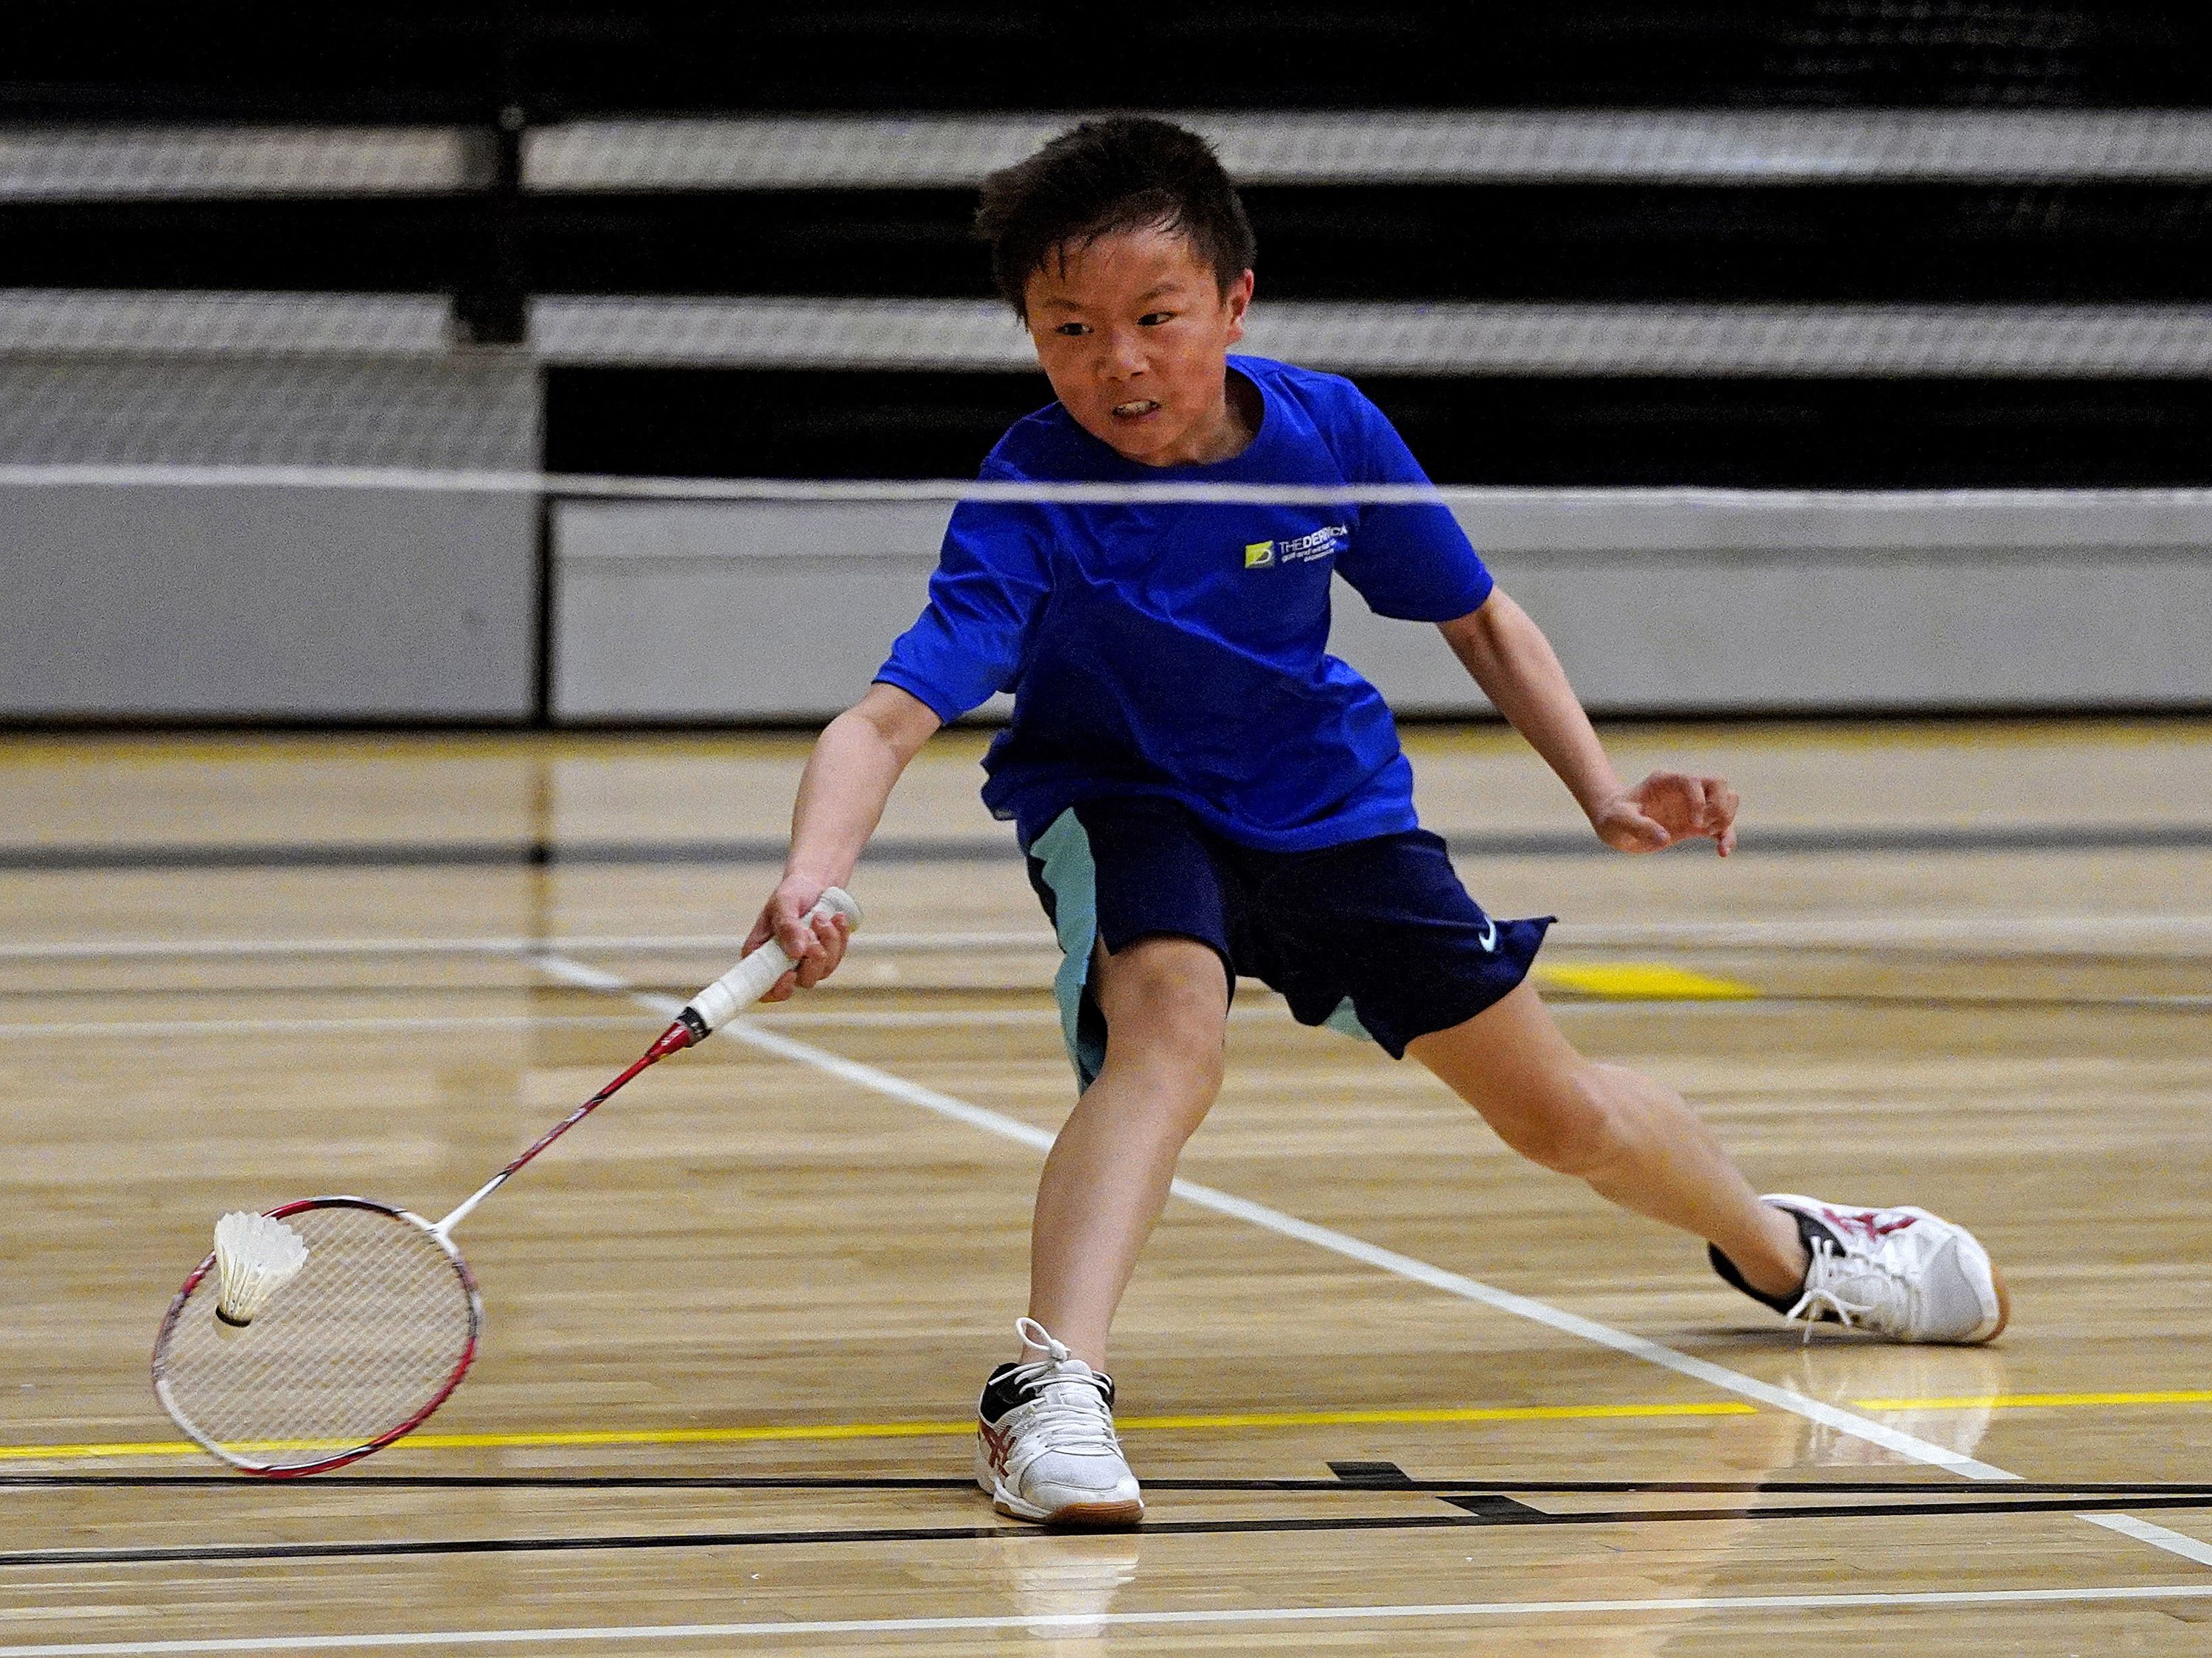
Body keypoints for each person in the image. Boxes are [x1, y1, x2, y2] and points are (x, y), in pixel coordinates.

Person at [743, 116, 2007, 1530]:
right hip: (1126, 800)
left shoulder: (1328, 430)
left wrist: (1597, 786)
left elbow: (1474, 611)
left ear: (1234, 301)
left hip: (1332, 805)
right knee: (1172, 1029)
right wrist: (815, 870)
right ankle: (1049, 1384)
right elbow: (884, 717)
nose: (1120, 363)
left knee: (1561, 1113)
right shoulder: (1037, 492)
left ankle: (1793, 1250)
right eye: (1070, 329)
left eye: (1157, 318)